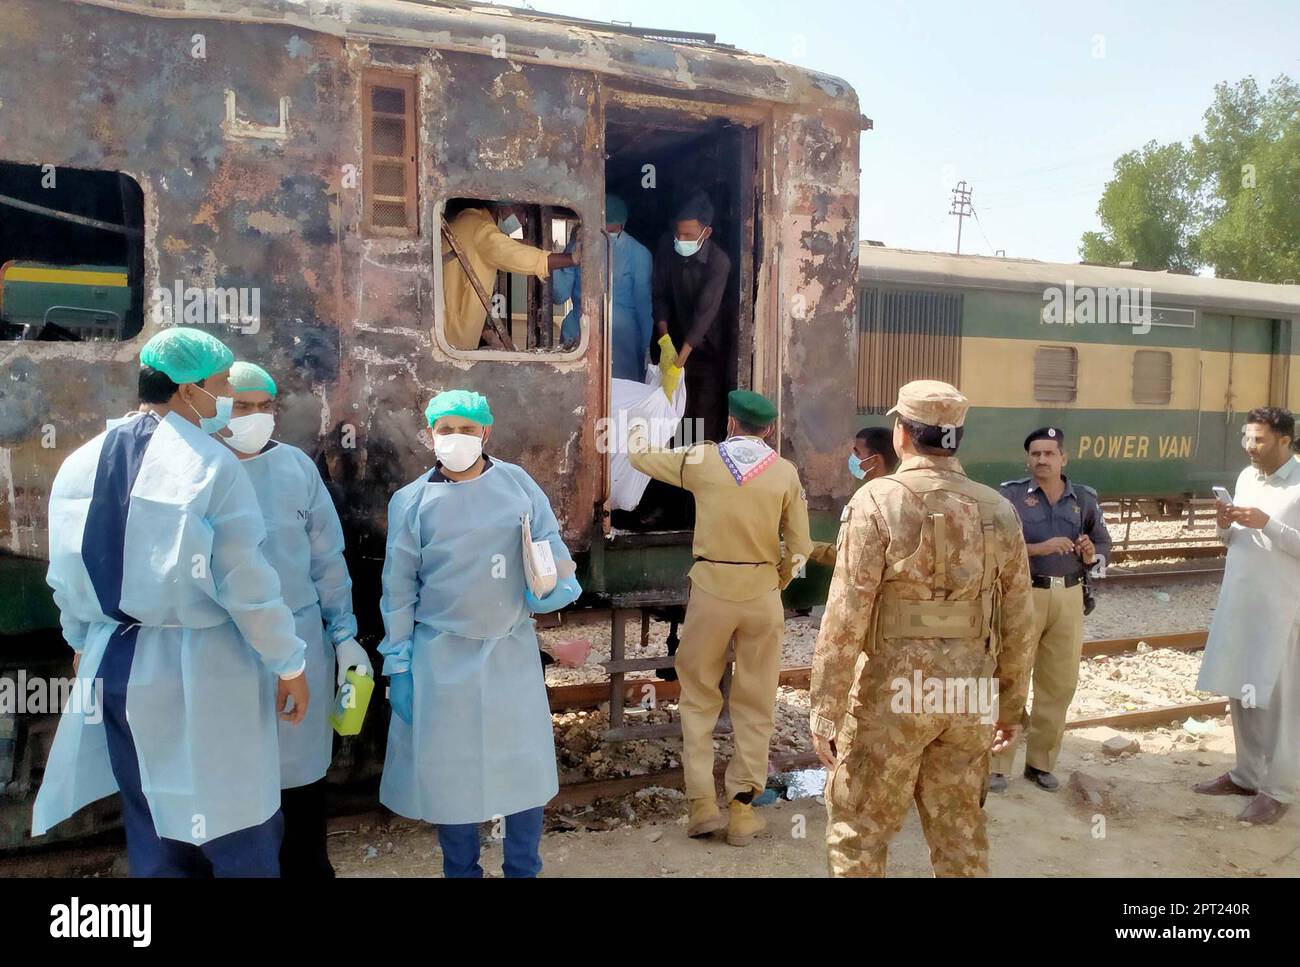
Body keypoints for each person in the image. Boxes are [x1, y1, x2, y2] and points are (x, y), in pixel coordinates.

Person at [31, 327, 309, 877]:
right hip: (204, 667)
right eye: (222, 381)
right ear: (187, 390)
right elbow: (246, 583)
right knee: (237, 821)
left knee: (152, 812)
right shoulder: (210, 463)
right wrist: (289, 662)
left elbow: (65, 574)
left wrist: (84, 643)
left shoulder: (81, 462)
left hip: (117, 665)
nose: (228, 393)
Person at [809, 380, 1035, 877]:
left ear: (902, 434)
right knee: (960, 831)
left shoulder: (876, 502)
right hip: (969, 695)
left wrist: (825, 707)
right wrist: (1011, 705)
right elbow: (1019, 617)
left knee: (860, 829)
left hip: (893, 694)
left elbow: (845, 617)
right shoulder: (999, 509)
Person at [377, 390, 581, 877]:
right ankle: (461, 870)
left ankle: (522, 868)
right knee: (453, 779)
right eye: (445, 429)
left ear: (486, 432)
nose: (456, 439)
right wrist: (398, 664)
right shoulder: (411, 502)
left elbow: (547, 542)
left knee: (523, 772)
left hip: (509, 650)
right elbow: (398, 589)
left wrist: (555, 584)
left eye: (467, 429)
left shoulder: (516, 485)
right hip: (440, 656)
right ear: (429, 434)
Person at [628, 389, 811, 845]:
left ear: (731, 422)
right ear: (768, 430)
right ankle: (743, 811)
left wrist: (635, 424)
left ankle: (702, 806)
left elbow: (639, 458)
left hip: (711, 589)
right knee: (755, 703)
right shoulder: (785, 474)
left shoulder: (701, 460)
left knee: (698, 698)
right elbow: (803, 550)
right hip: (762, 594)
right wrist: (778, 580)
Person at [220, 361, 371, 876]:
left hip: (301, 646)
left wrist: (344, 635)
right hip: (225, 650)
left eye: (266, 407)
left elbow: (327, 561)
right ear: (217, 404)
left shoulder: (297, 469)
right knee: (235, 791)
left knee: (301, 790)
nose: (257, 416)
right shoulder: (202, 468)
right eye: (243, 406)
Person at [988, 427, 1111, 792]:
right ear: (1028, 459)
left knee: (1058, 683)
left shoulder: (1084, 499)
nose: (1042, 460)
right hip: (1024, 595)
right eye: (1036, 454)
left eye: (1050, 453)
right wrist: (1039, 549)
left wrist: (1092, 555)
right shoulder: (1009, 497)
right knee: (1009, 678)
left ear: (1063, 458)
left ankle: (1040, 764)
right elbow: (993, 547)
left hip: (1069, 596)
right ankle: (996, 763)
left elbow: (1104, 545)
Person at [1194, 407, 1300, 825]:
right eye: (1248, 439)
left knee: (1280, 700)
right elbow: (1234, 540)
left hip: (1283, 607)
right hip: (1241, 601)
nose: (1250, 447)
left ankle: (1280, 789)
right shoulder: (1245, 478)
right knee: (1243, 691)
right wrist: (1225, 523)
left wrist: (1268, 524)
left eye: (1259, 440)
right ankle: (1246, 774)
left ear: (1285, 440)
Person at [441, 200, 578, 350]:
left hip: (449, 336)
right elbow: (516, 256)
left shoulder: (465, 222)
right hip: (454, 342)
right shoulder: (480, 228)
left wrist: (487, 333)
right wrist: (572, 258)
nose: (521, 220)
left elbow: (463, 293)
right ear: (502, 206)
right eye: (520, 211)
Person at [652, 191, 731, 442]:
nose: (680, 239)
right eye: (678, 233)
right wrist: (665, 342)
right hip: (674, 343)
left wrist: (679, 363)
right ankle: (671, 477)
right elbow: (660, 295)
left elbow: (703, 317)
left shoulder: (719, 262)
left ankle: (692, 475)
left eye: (687, 235)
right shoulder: (668, 247)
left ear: (706, 233)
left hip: (707, 351)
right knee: (673, 419)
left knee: (699, 421)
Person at [554, 194, 655, 381]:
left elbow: (644, 305)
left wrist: (648, 347)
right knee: (579, 390)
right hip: (580, 332)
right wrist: (553, 262)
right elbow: (559, 295)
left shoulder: (638, 254)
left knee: (620, 395)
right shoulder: (577, 247)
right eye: (601, 229)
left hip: (622, 341)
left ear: (622, 226)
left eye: (611, 231)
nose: (605, 236)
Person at [810, 426, 899, 567]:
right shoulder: (898, 495)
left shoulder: (869, 499)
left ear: (874, 460)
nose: (852, 458)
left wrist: (808, 548)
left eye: (857, 453)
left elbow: (854, 556)